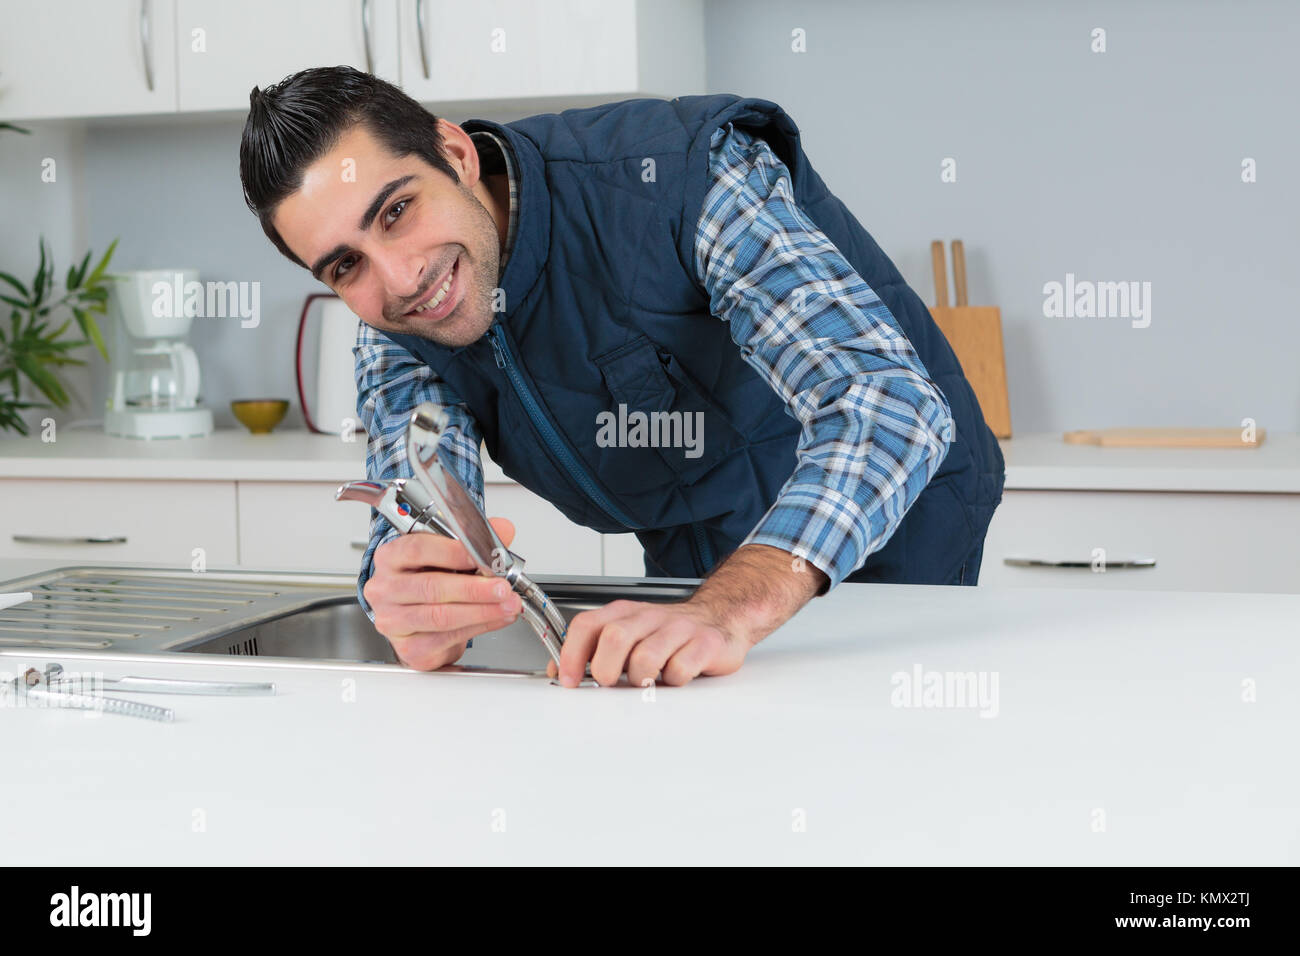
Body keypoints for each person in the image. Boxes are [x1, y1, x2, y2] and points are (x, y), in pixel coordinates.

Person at [238, 66, 1005, 688]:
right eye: (345, 265)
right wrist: (408, 592)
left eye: (398, 210)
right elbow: (420, 504)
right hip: (694, 567)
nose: (400, 277)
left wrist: (727, 610)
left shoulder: (683, 177)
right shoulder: (399, 326)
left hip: (899, 538)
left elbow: (886, 408)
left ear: (455, 153)